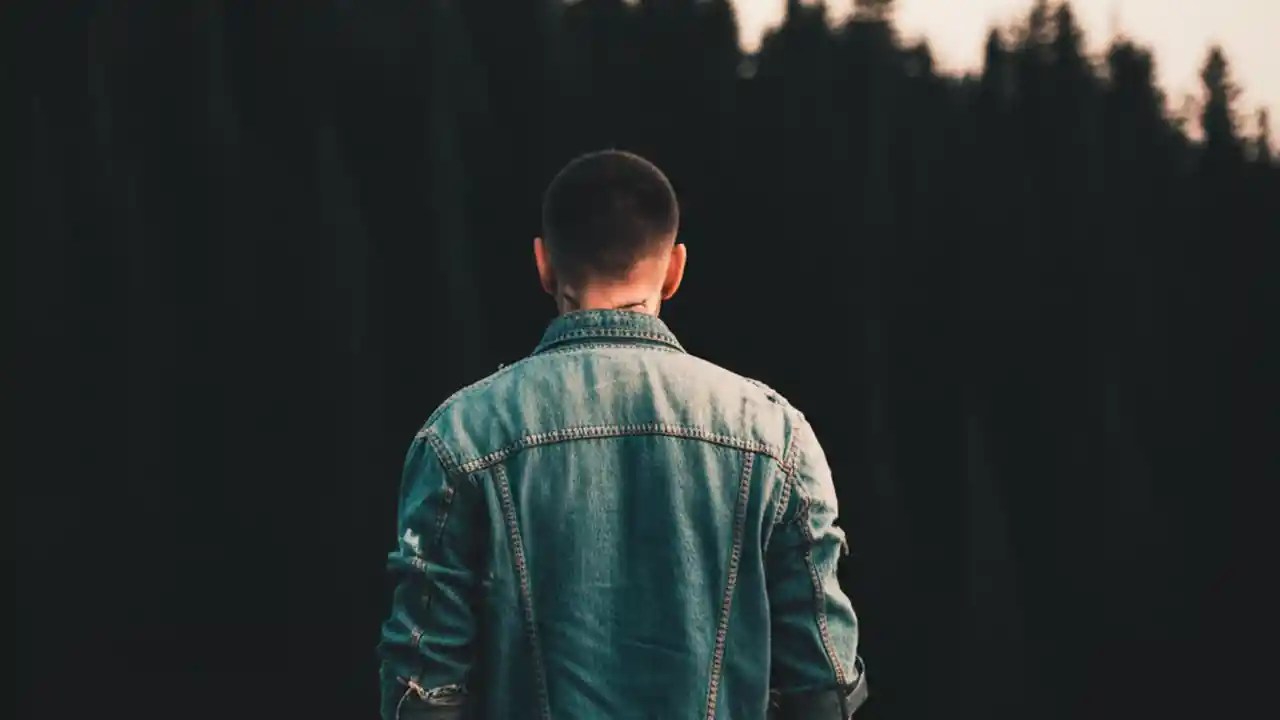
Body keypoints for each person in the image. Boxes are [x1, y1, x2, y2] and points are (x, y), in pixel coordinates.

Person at [377, 150, 867, 719]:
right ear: (675, 269)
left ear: (544, 264)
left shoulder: (460, 439)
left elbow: (422, 693)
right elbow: (825, 687)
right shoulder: (775, 437)